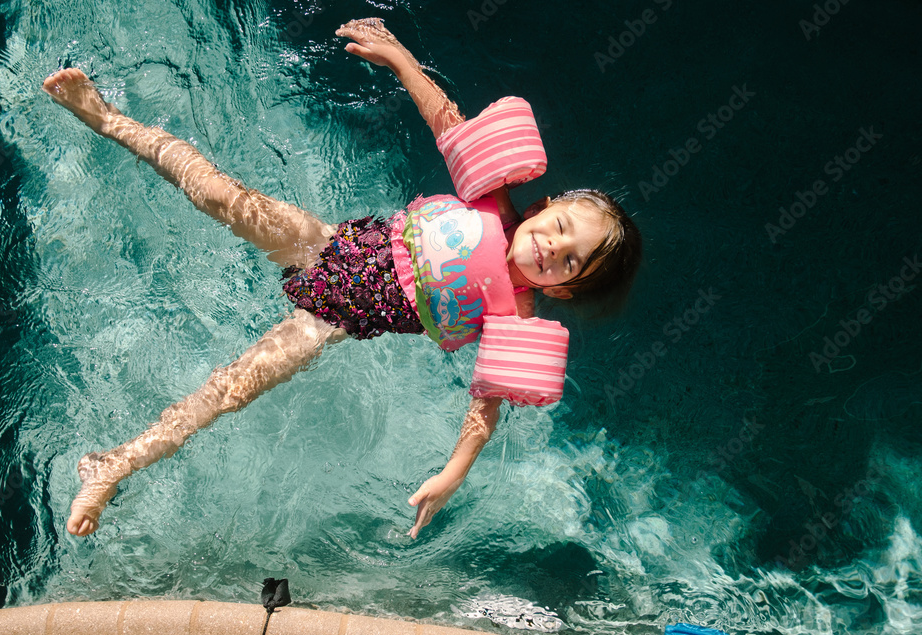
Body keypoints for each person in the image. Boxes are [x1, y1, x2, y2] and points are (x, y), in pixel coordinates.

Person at [42, 17, 641, 540]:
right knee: (215, 193)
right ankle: (109, 118)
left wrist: (452, 473)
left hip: (330, 320)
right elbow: (447, 123)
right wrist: (400, 58)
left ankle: (110, 468)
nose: (551, 248)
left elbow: (486, 405)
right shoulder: (494, 201)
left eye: (568, 262)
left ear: (563, 288)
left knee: (228, 392)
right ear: (544, 209)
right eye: (560, 227)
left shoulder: (516, 313)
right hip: (326, 243)